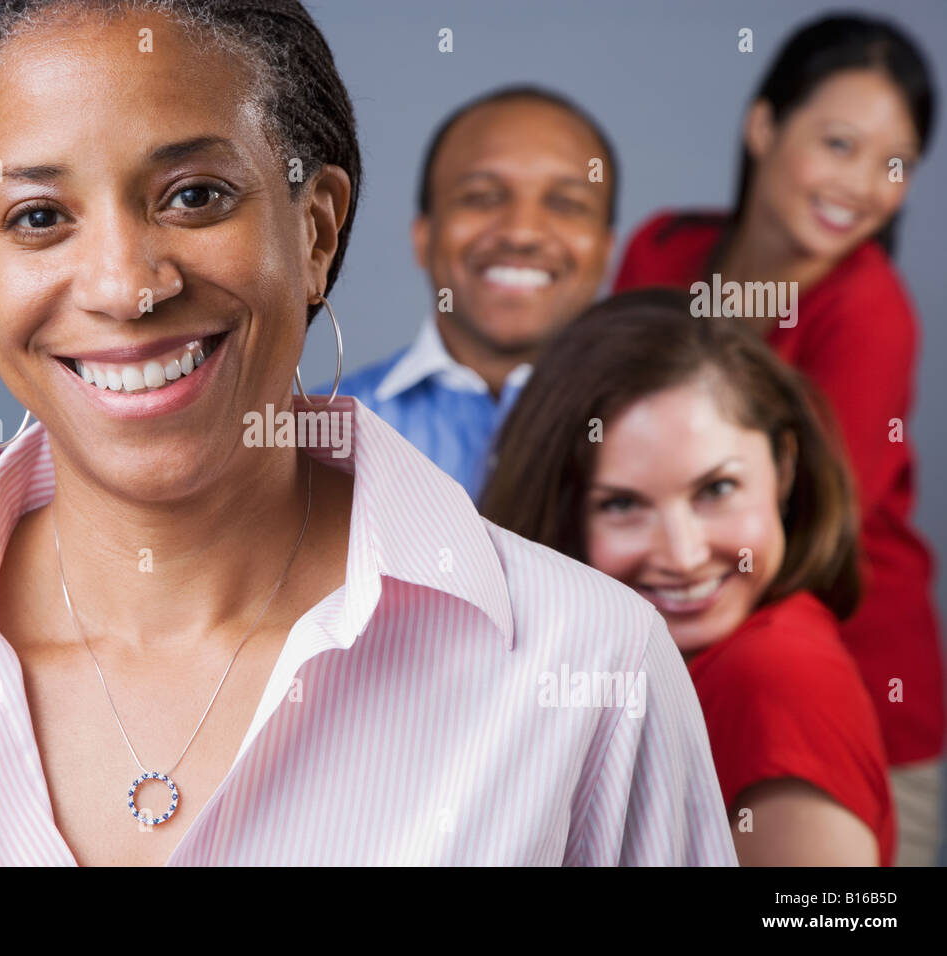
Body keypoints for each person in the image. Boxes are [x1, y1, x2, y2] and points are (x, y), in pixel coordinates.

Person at [0, 0, 734, 866]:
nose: (128, 284)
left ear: (313, 232)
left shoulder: (590, 667)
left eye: (194, 194)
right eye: (39, 217)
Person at [612, 14, 944, 865]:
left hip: (849, 688)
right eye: (839, 143)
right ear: (764, 127)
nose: (864, 184)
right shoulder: (662, 250)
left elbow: (810, 533)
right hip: (688, 667)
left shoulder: (867, 312)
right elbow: (603, 439)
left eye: (895, 164)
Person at [482, 289, 896, 865]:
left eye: (717, 489)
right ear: (565, 517)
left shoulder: (776, 680)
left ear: (783, 467)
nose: (682, 554)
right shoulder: (645, 670)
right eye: (623, 505)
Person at [326, 85, 616, 499]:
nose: (522, 233)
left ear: (606, 251)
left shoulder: (673, 431)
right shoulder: (314, 439)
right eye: (481, 197)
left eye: (567, 203)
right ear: (423, 237)